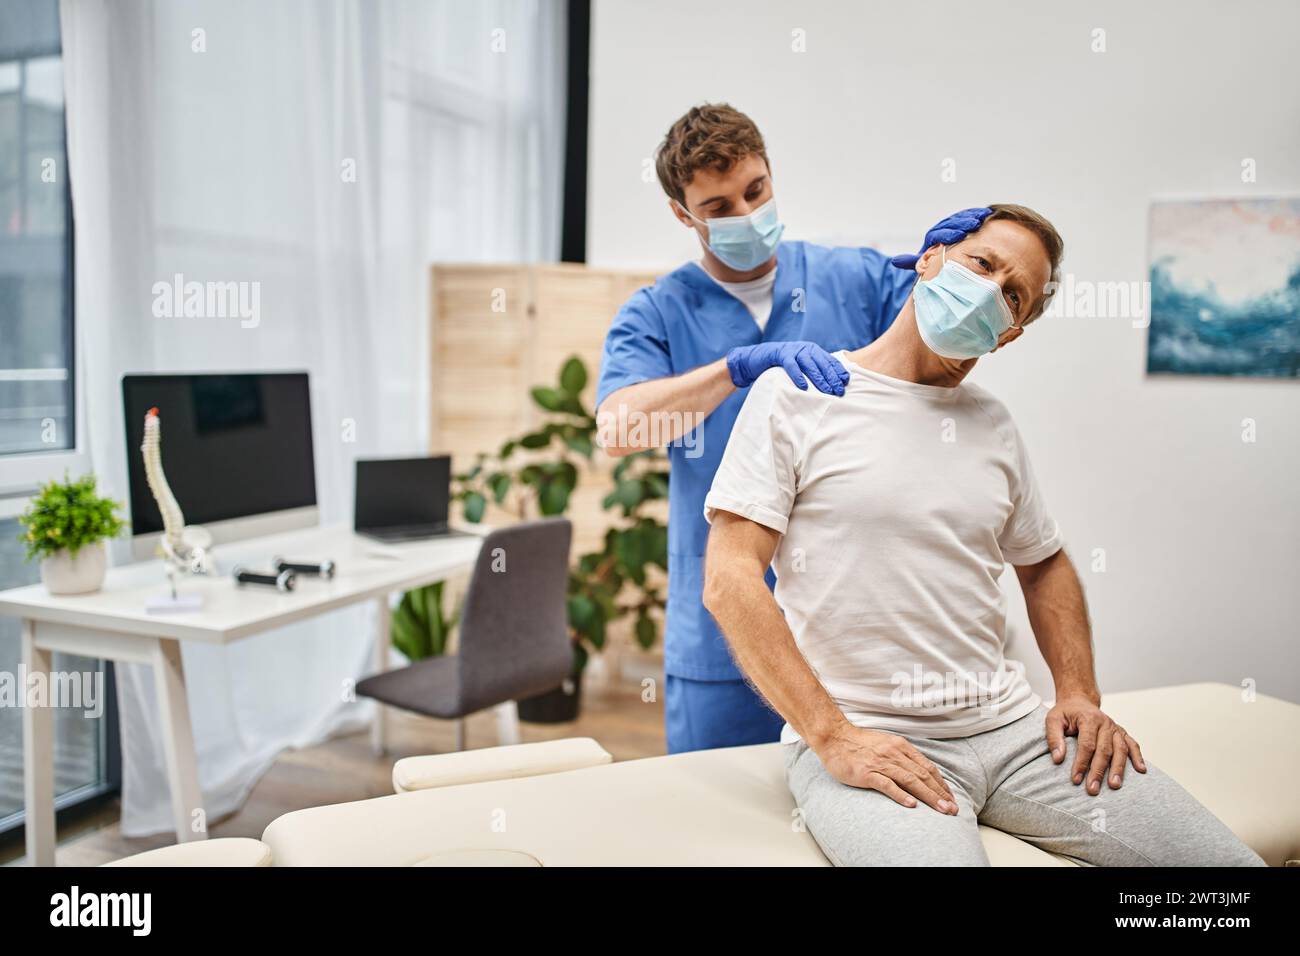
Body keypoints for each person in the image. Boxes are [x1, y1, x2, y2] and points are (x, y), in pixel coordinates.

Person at [701, 204, 1265, 866]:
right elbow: (730, 578)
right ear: (931, 257)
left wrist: (1078, 692)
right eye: (983, 264)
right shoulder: (798, 394)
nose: (991, 292)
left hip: (1018, 733)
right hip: (877, 737)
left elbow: (1044, 564)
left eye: (1013, 295)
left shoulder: (992, 424)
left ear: (1010, 334)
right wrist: (831, 735)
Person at [595, 102, 990, 753]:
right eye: (719, 207)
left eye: (756, 191)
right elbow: (620, 428)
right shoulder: (659, 312)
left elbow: (949, 359)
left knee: (859, 822)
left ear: (772, 174)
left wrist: (960, 267)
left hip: (858, 633)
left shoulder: (853, 280)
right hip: (726, 640)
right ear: (682, 214)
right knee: (721, 833)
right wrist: (735, 368)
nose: (746, 215)